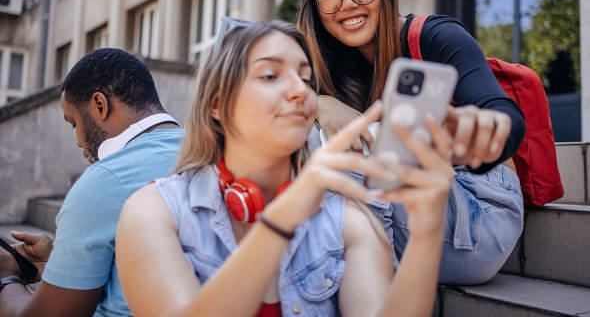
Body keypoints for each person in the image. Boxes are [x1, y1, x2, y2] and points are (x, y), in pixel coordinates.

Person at [116, 20, 455, 316]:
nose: (299, 91)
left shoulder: (348, 220)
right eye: (270, 75)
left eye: (307, 79)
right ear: (217, 104)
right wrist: (280, 221)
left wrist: (427, 233)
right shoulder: (152, 212)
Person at [297, 0, 525, 284]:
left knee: (352, 144)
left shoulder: (435, 38)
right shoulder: (321, 65)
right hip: (399, 204)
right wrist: (321, 103)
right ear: (314, 5)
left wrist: (470, 129)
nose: (347, 3)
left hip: (480, 208)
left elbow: (505, 116)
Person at [0, 48, 184, 316]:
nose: (78, 141)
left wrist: (6, 277)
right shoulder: (215, 153)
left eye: (73, 122)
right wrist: (61, 262)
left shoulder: (104, 182)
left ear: (100, 105)